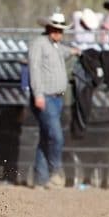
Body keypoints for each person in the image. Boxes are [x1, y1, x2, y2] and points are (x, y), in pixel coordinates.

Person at [27, 10, 79, 189]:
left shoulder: (56, 46)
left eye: (60, 30)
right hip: (46, 97)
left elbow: (64, 51)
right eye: (55, 29)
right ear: (48, 28)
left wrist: (75, 51)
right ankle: (56, 171)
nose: (58, 32)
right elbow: (34, 70)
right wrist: (38, 94)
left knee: (46, 137)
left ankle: (40, 179)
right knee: (56, 136)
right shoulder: (39, 44)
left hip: (56, 99)